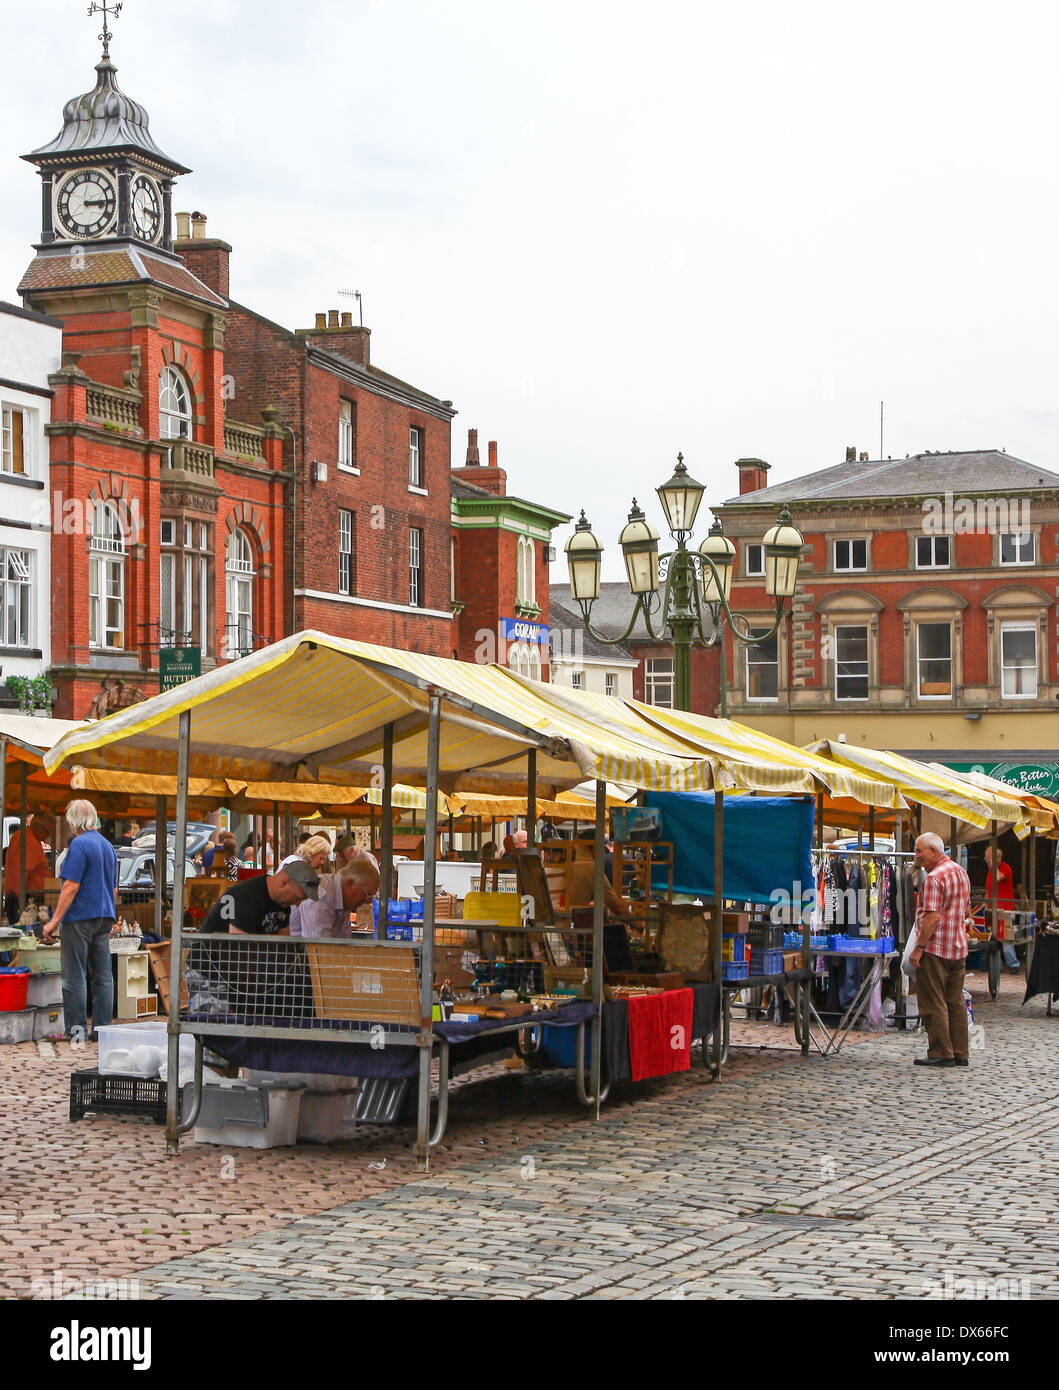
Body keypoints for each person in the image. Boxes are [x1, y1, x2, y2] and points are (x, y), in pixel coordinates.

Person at [41, 801, 117, 1042]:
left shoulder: (79, 845)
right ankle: (103, 1030)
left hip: (80, 917)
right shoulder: (107, 845)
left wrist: (53, 921)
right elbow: (113, 889)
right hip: (105, 916)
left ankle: (76, 1031)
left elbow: (70, 887)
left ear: (73, 821)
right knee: (103, 977)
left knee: (74, 976)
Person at [910, 831, 971, 1067]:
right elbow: (965, 909)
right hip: (957, 946)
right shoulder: (959, 871)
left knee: (933, 1000)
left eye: (919, 850)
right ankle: (960, 1051)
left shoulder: (934, 878)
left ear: (933, 851)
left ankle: (941, 1052)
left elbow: (932, 918)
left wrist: (919, 948)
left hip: (935, 948)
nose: (916, 856)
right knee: (954, 1000)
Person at [198, 860, 320, 936]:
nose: (297, 904)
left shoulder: (283, 903)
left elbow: (283, 945)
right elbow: (240, 950)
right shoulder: (247, 896)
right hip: (209, 971)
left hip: (232, 970)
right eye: (297, 897)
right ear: (284, 882)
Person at [290, 858, 381, 939]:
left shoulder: (344, 900)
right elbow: (318, 948)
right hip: (291, 953)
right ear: (350, 883)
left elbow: (342, 942)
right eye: (367, 894)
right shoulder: (320, 895)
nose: (367, 901)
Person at [3, 812, 52, 923]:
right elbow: (20, 872)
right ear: (39, 827)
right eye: (47, 831)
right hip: (27, 901)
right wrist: (22, 905)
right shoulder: (29, 841)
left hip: (20, 898)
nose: (48, 835)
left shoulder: (21, 835)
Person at [983, 845, 1019, 972]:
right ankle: (996, 965)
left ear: (997, 858)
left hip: (1005, 909)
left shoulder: (1005, 868)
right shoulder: (990, 871)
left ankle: (1013, 964)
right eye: (986, 858)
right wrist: (984, 906)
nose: (987, 861)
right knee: (993, 937)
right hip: (992, 909)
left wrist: (993, 865)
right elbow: (989, 889)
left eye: (989, 858)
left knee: (1005, 937)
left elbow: (999, 877)